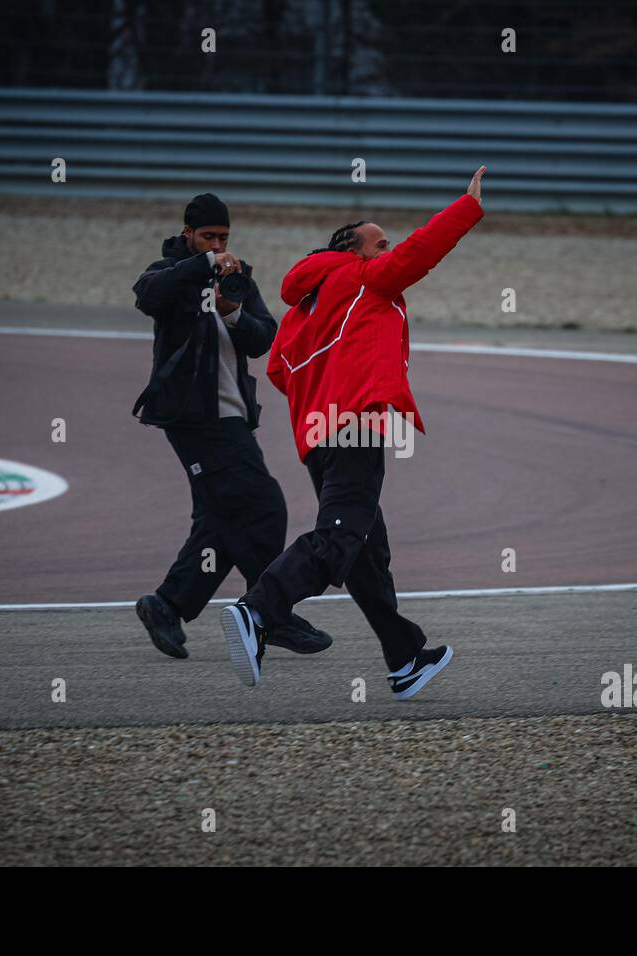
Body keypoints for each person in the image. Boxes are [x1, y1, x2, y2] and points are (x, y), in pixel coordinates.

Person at [221, 166, 486, 699]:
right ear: (356, 252)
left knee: (365, 551)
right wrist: (467, 207)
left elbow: (279, 371)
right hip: (354, 427)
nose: (388, 250)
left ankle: (406, 657)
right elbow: (418, 253)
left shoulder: (303, 307)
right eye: (380, 243)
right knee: (341, 536)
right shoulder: (363, 277)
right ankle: (258, 610)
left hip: (318, 437)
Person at [131, 193, 331, 660]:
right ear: (188, 235)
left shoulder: (235, 279)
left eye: (223, 238)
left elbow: (266, 338)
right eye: (208, 237)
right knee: (265, 506)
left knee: (222, 518)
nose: (217, 245)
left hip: (233, 415)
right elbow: (146, 296)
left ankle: (167, 605)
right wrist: (201, 265)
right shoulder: (170, 273)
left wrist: (233, 309)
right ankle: (271, 613)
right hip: (192, 418)